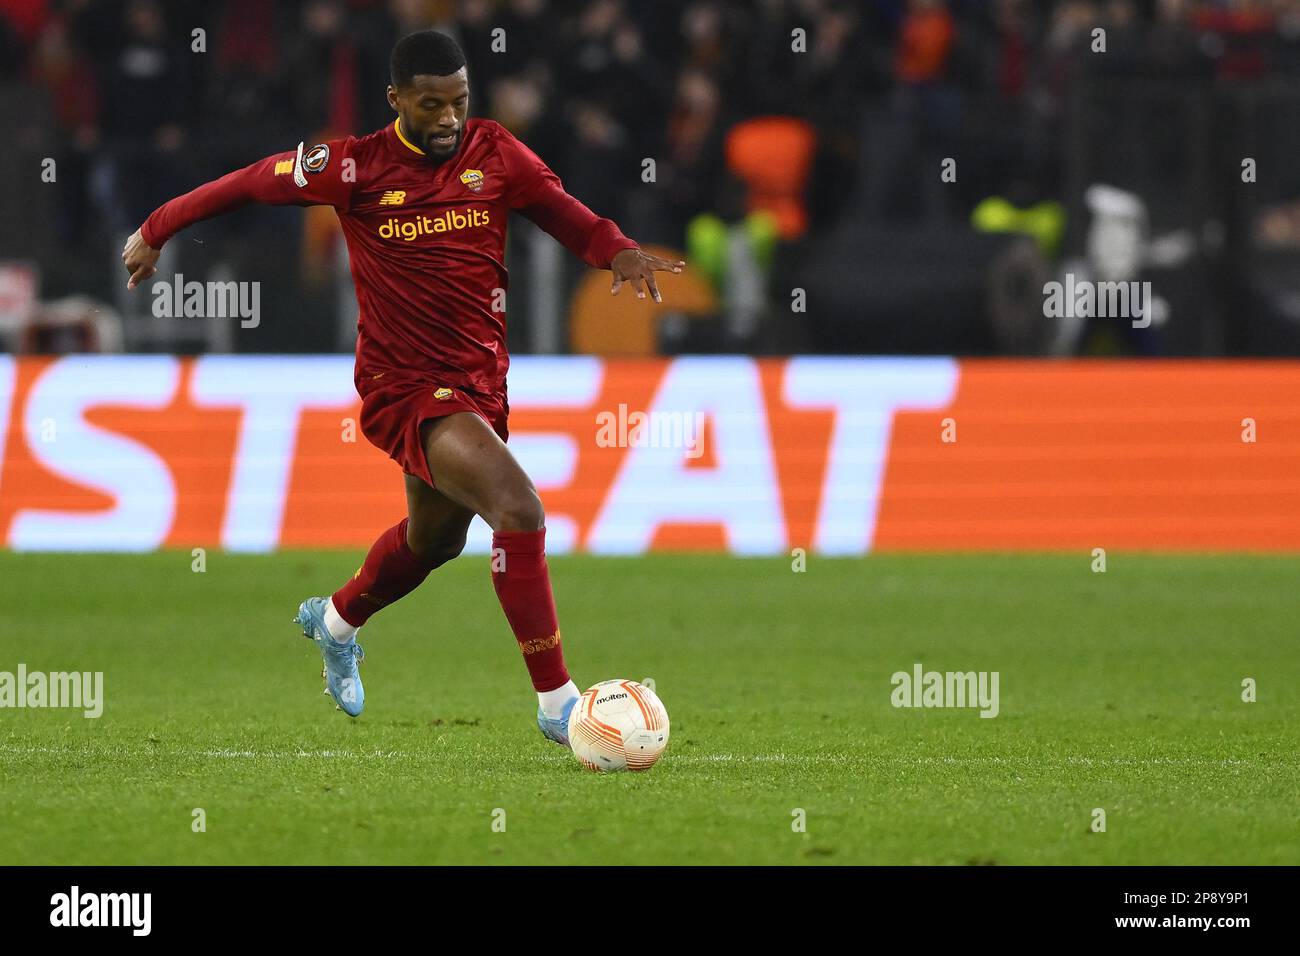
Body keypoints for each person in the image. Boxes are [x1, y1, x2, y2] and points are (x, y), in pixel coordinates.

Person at [120, 30, 684, 745]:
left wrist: (618, 250)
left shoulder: (495, 153)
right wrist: (157, 227)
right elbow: (249, 182)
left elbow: (557, 207)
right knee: (518, 508)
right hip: (404, 386)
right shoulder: (353, 167)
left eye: (459, 101)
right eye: (430, 104)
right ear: (396, 101)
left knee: (434, 540)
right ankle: (558, 703)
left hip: (480, 381)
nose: (449, 118)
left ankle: (334, 620)